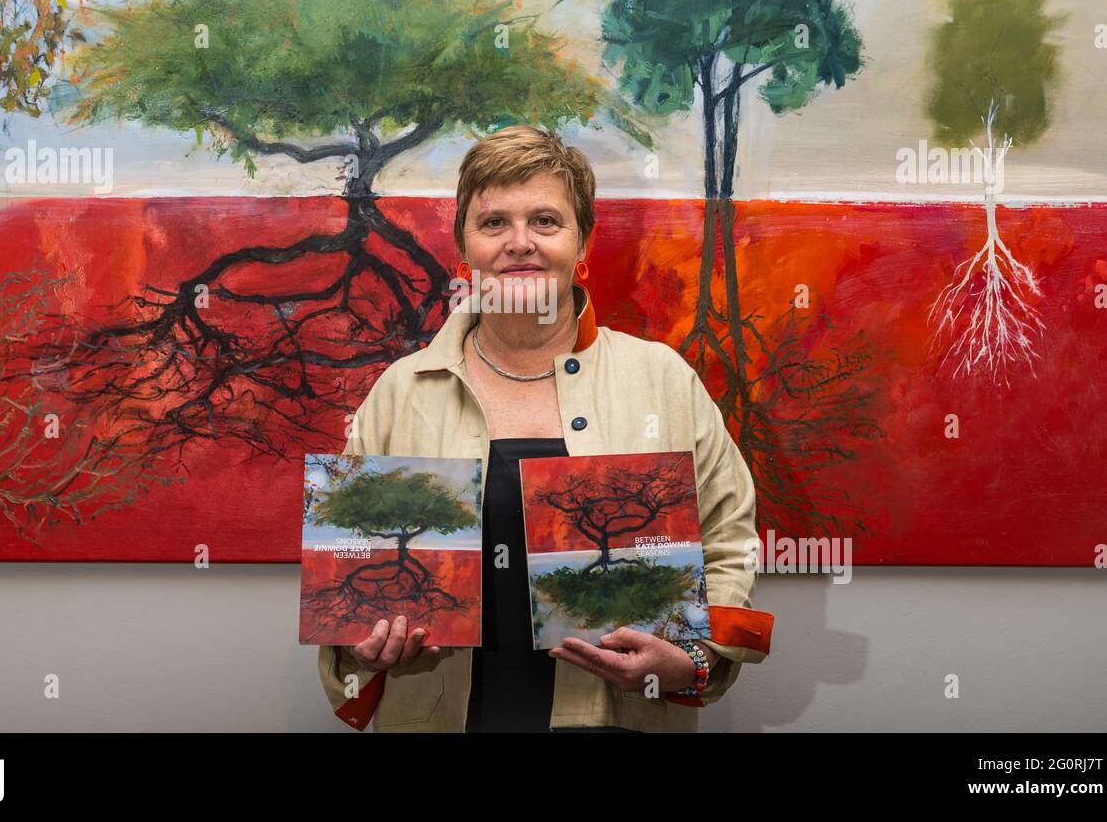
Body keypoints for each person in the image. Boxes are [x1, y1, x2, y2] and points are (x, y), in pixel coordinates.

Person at [316, 125, 773, 732]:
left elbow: (729, 539)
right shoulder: (401, 391)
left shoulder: (661, 379)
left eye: (546, 221)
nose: (520, 243)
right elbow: (352, 570)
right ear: (464, 247)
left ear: (581, 242)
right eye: (494, 223)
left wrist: (693, 657)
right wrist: (360, 642)